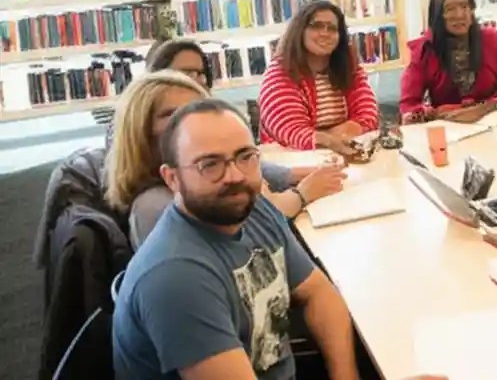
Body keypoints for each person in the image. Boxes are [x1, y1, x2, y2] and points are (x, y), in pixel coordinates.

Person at [112, 98, 360, 380]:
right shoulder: (175, 276)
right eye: (210, 164)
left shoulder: (252, 209)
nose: (234, 176)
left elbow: (318, 293)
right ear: (172, 178)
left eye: (245, 156)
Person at [105, 71, 346, 247]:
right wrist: (302, 194)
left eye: (199, 109)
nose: (192, 120)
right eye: (173, 114)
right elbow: (260, 226)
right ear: (139, 131)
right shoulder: (154, 208)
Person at [258, 0, 381, 154]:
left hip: (346, 154)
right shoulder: (280, 74)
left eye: (332, 28)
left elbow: (368, 116)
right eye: (316, 26)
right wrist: (335, 138)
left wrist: (327, 137)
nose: (325, 33)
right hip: (294, 164)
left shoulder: (349, 68)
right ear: (300, 31)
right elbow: (293, 135)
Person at [400, 0, 497, 125]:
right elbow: (409, 106)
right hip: (448, 129)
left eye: (464, 7)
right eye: (450, 9)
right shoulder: (425, 49)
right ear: (438, 17)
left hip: (492, 123)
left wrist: (469, 111)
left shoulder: (492, 39)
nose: (460, 15)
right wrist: (433, 113)